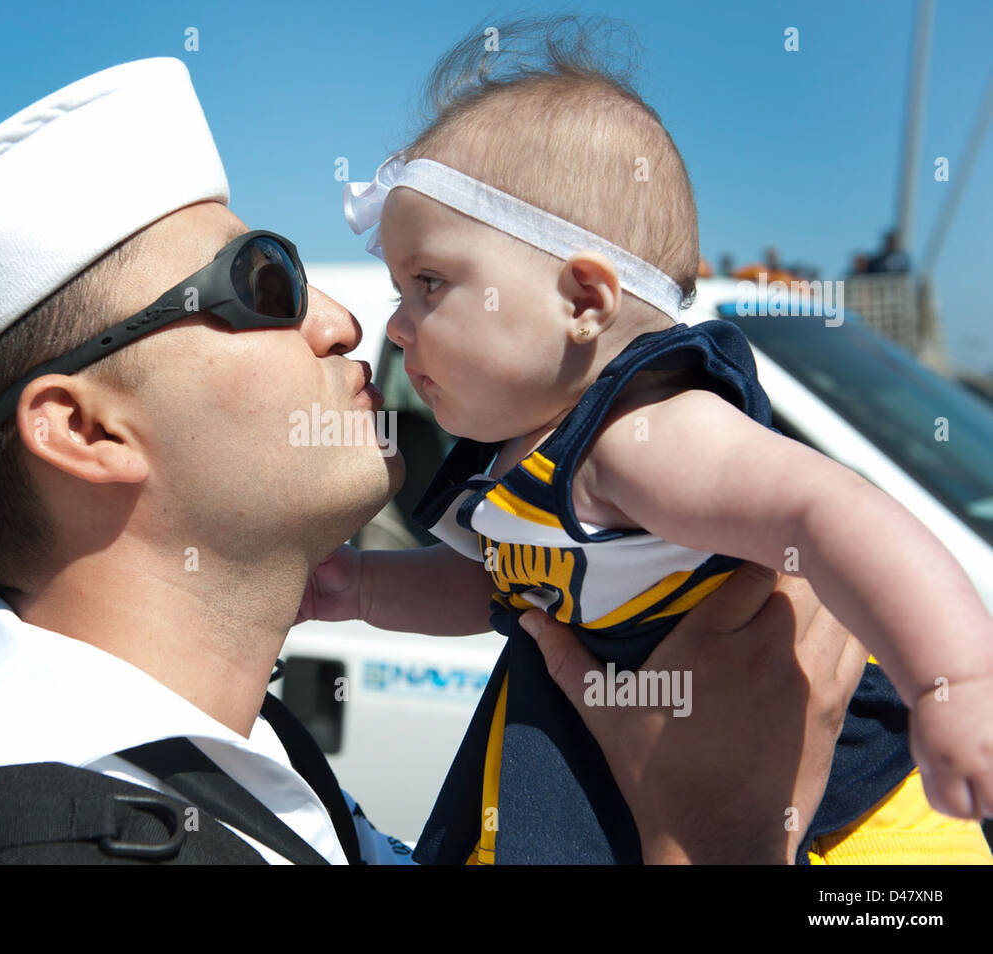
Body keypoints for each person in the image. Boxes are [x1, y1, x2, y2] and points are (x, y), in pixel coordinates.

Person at [0, 57, 870, 865]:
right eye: (259, 284)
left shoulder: (229, 760)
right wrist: (717, 845)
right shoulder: (34, 854)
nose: (348, 323)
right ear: (85, 430)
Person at [306, 18, 993, 864]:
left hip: (852, 831)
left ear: (584, 301)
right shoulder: (532, 462)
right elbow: (497, 585)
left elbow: (829, 510)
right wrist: (361, 587)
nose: (397, 326)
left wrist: (956, 681)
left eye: (429, 284)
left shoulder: (641, 434)